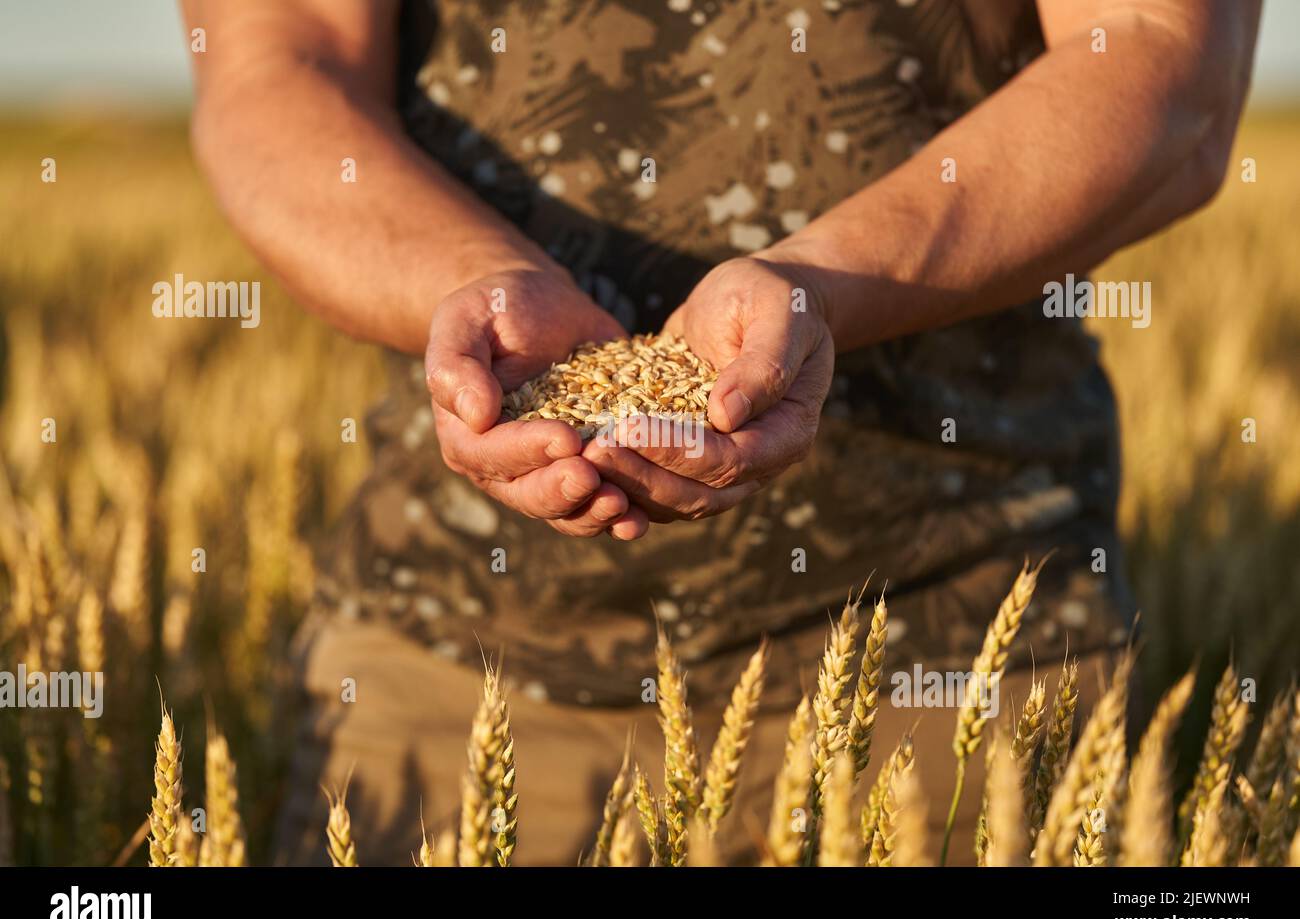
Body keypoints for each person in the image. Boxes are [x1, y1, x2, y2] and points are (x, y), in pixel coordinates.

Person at [182, 0, 1260, 864]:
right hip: (456, 668)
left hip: (954, 659)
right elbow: (280, 62)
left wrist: (821, 288)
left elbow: (1164, 58)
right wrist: (470, 279)